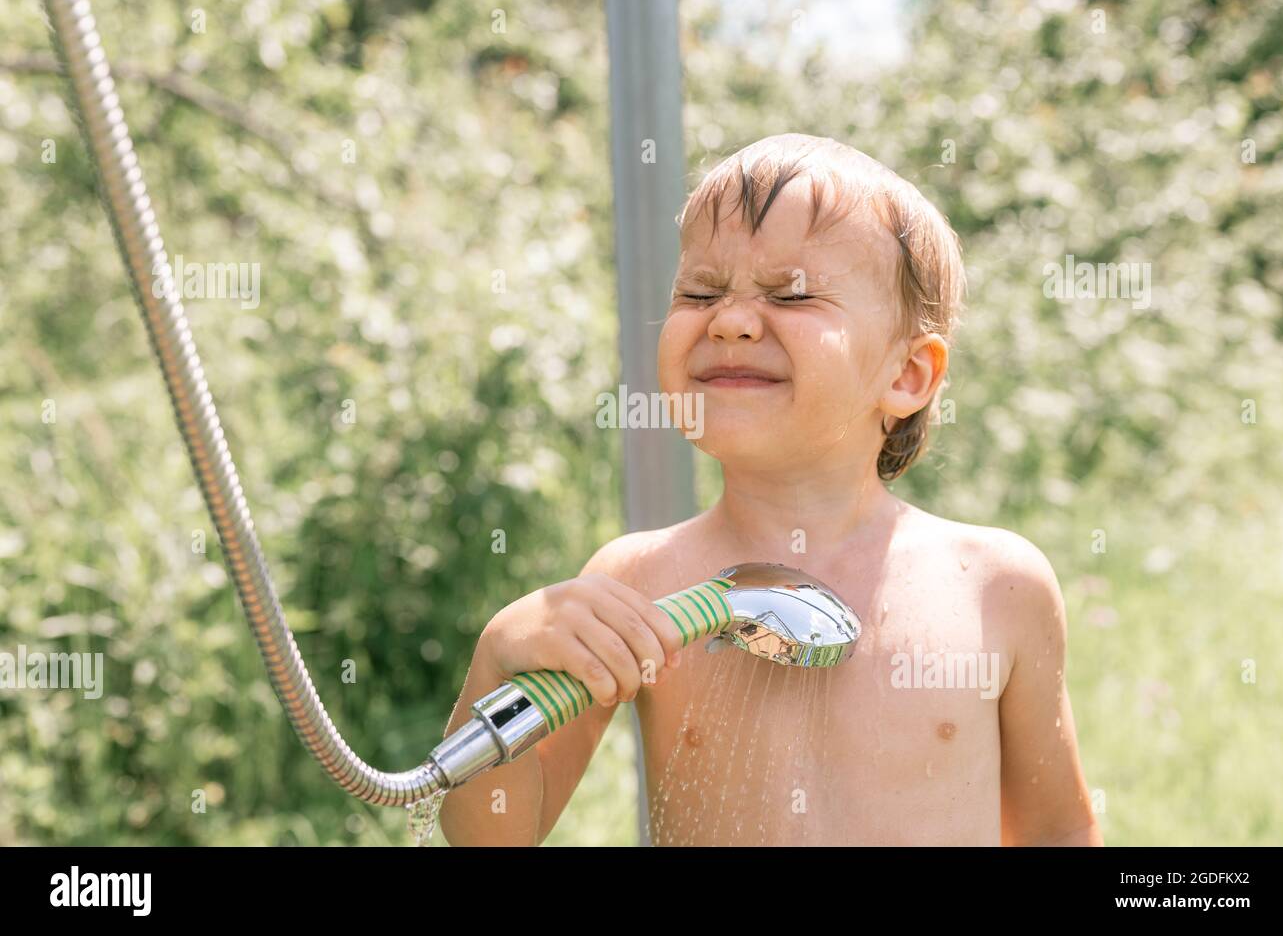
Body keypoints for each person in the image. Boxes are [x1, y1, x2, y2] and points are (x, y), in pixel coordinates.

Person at [439, 133, 1102, 846]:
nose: (731, 319)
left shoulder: (995, 586)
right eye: (700, 291)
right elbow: (494, 837)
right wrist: (497, 659)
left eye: (792, 294)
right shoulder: (639, 581)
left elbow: (1057, 833)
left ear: (907, 376)